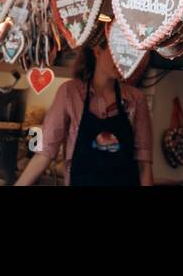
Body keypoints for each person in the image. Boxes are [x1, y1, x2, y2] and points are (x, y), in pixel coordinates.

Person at [15, 31, 154, 186]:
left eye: (126, 54)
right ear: (98, 52)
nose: (122, 59)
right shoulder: (70, 92)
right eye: (116, 52)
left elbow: (144, 164)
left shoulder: (136, 99)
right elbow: (45, 152)